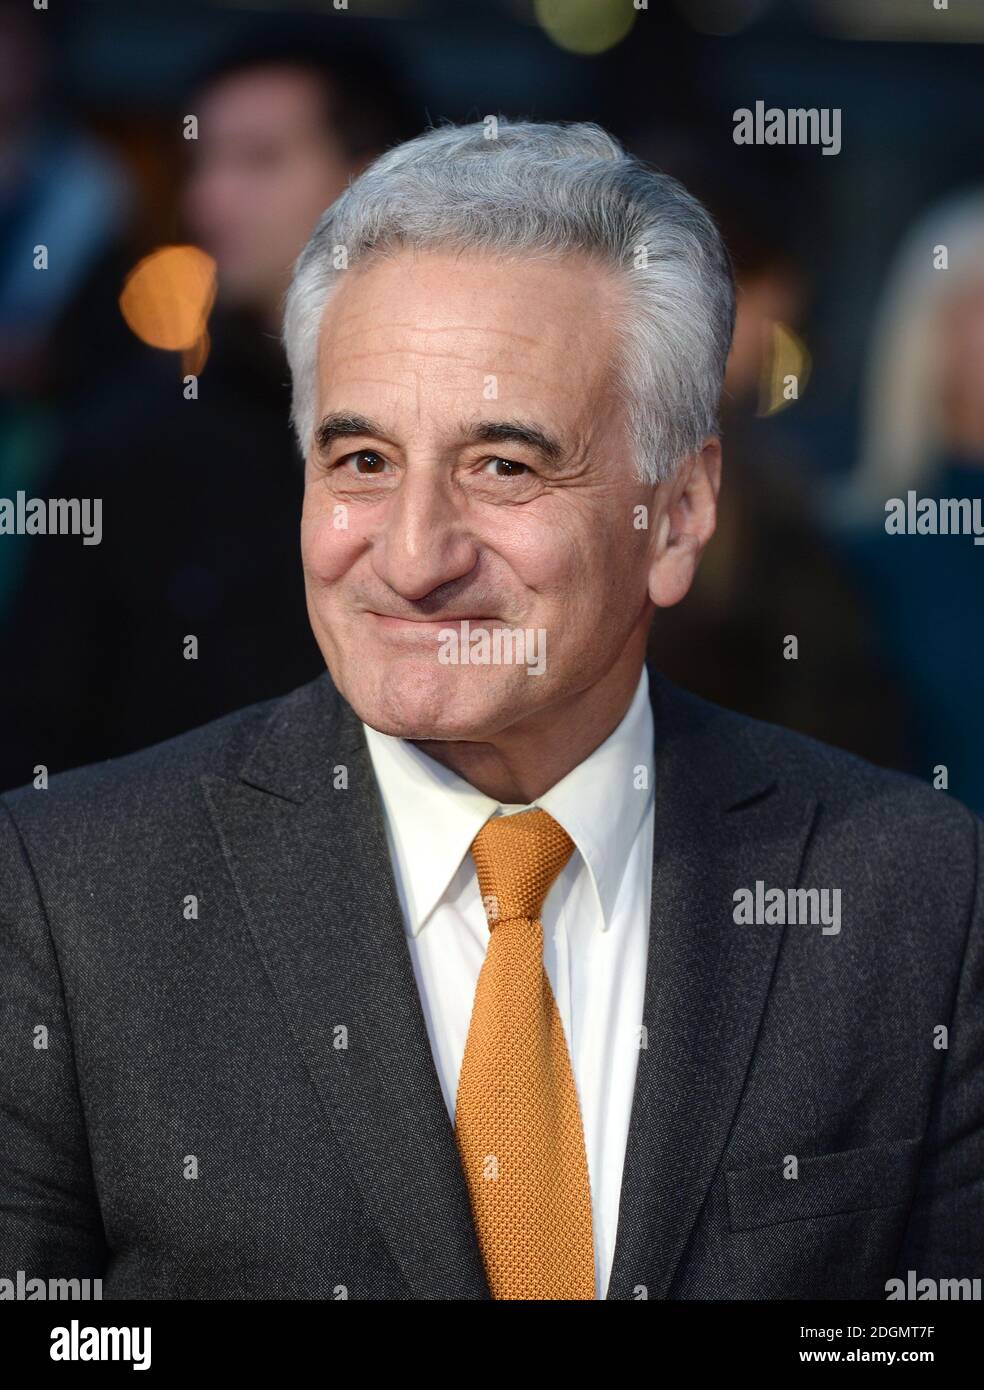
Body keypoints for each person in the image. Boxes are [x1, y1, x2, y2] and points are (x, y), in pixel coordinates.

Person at [1, 119, 981, 1301]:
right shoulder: (68, 902)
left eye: (504, 467)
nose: (414, 559)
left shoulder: (913, 893)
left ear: (675, 517)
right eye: (361, 460)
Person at [0, 32, 418, 789]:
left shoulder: (448, 422)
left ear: (374, 176)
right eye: (202, 163)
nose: (209, 199)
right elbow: (37, 732)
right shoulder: (126, 443)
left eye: (259, 159)